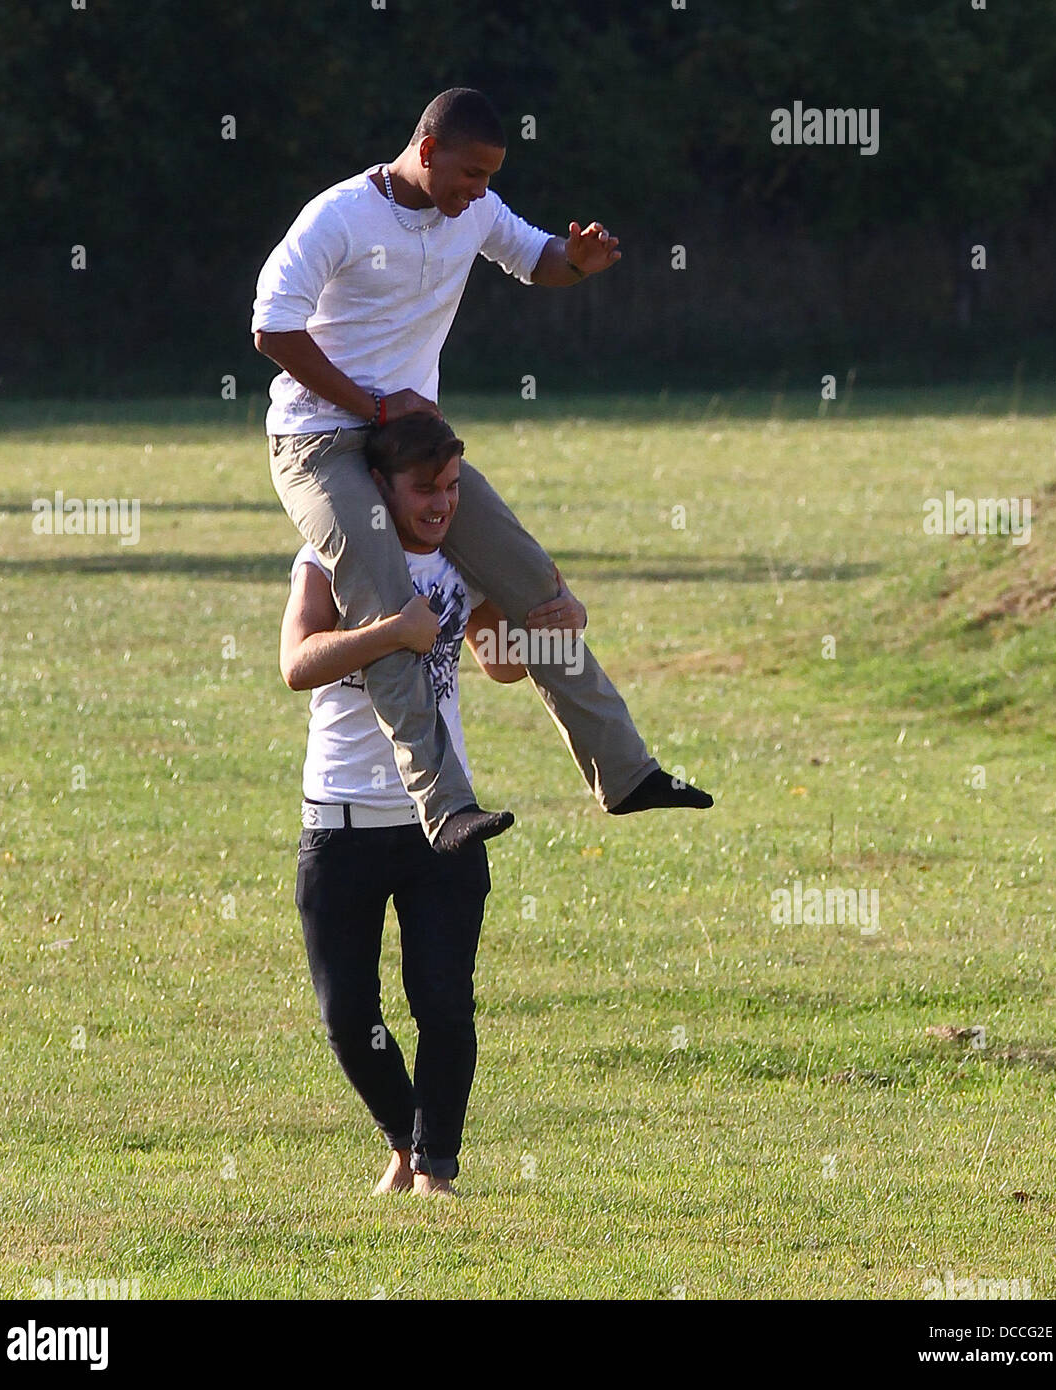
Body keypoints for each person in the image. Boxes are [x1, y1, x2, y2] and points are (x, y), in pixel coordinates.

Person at [255, 87, 712, 857]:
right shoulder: (340, 216)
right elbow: (272, 327)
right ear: (426, 150)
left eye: (490, 178)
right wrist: (370, 405)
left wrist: (580, 262)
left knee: (533, 579)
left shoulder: (476, 213)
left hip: (414, 439)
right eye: (469, 174)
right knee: (386, 604)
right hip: (320, 438)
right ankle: (444, 807)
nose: (479, 192)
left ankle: (626, 772)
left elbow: (540, 260)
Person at [280, 413, 581, 1195]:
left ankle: (435, 1171)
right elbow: (298, 662)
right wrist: (390, 632)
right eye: (424, 489)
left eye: (452, 488)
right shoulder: (326, 559)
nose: (442, 504)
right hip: (340, 822)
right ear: (378, 487)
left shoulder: (457, 562)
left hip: (441, 825)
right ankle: (402, 1141)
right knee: (350, 1019)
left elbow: (500, 664)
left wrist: (556, 627)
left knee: (444, 1007)